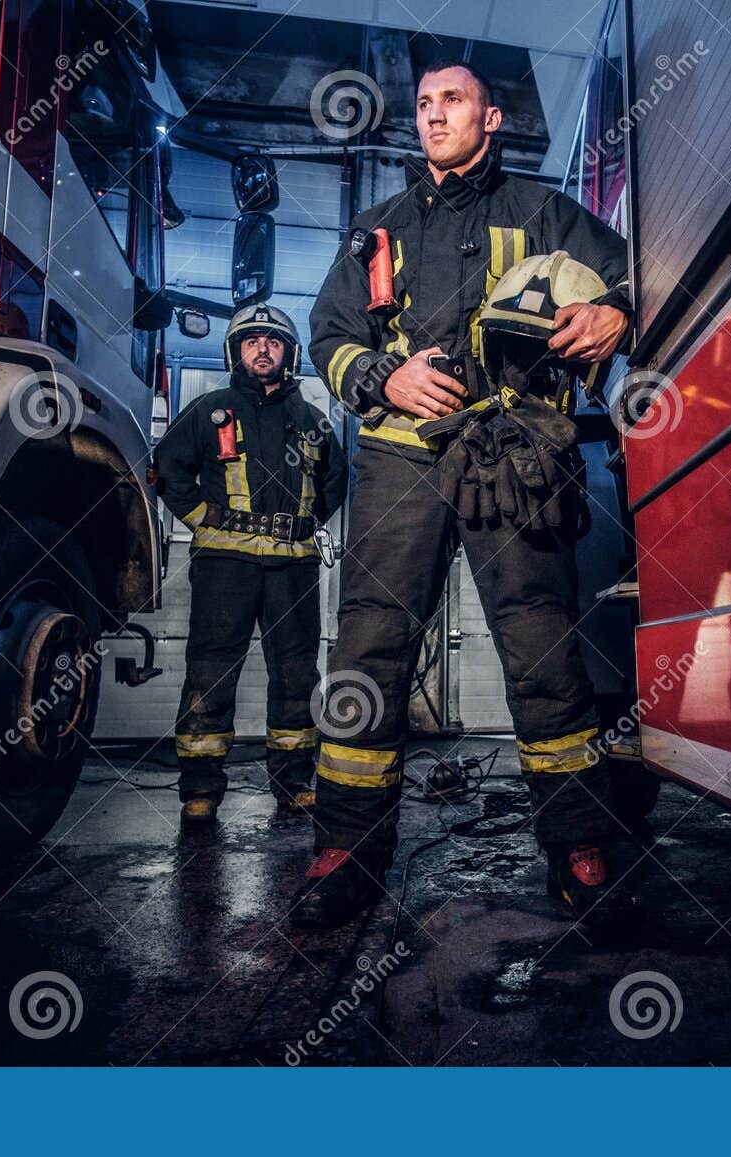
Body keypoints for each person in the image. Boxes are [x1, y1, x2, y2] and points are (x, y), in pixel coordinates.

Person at [298, 59, 633, 927]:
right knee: (368, 644)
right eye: (422, 105)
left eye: (452, 101)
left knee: (542, 644)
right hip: (401, 455)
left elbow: (627, 273)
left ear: (490, 120)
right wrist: (381, 375)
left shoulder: (546, 212)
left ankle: (577, 846)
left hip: (512, 452)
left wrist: (617, 314)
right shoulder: (377, 227)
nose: (433, 115)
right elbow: (328, 333)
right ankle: (345, 849)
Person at [153, 304, 347, 823]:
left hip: (294, 568)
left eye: (274, 341)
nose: (263, 348)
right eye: (252, 340)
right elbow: (168, 471)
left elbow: (334, 484)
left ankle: (293, 783)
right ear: (235, 352)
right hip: (224, 566)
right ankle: (200, 788)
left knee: (296, 674)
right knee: (211, 671)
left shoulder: (313, 421)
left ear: (289, 354)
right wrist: (203, 520)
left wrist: (294, 526)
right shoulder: (208, 410)